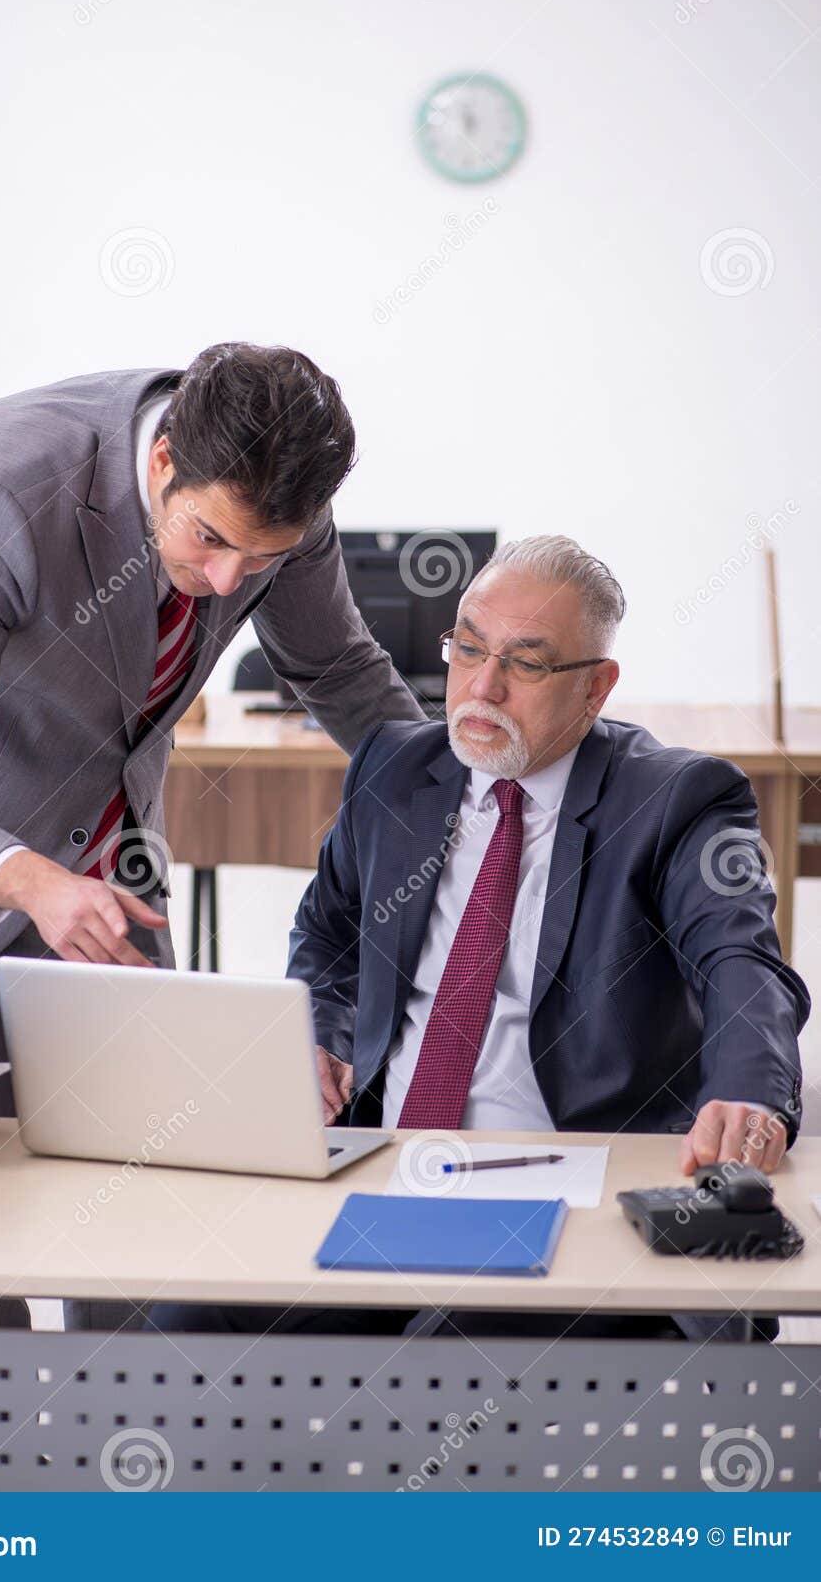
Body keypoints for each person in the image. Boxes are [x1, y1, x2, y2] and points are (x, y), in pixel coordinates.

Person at [0, 343, 422, 1331]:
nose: (226, 582)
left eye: (259, 559)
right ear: (164, 459)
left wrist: (454, 800)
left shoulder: (278, 507)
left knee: (137, 1153)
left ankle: (118, 1442)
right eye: (209, 541)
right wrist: (31, 879)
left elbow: (336, 668)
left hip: (108, 838)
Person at [154, 535, 808, 1344]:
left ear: (596, 687)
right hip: (387, 1171)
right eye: (468, 648)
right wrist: (320, 1036)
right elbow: (330, 933)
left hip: (563, 1190)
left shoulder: (675, 799)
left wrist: (747, 1089)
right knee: (186, 1315)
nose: (483, 686)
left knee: (445, 1350)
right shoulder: (395, 768)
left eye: (526, 665)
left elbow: (740, 961)